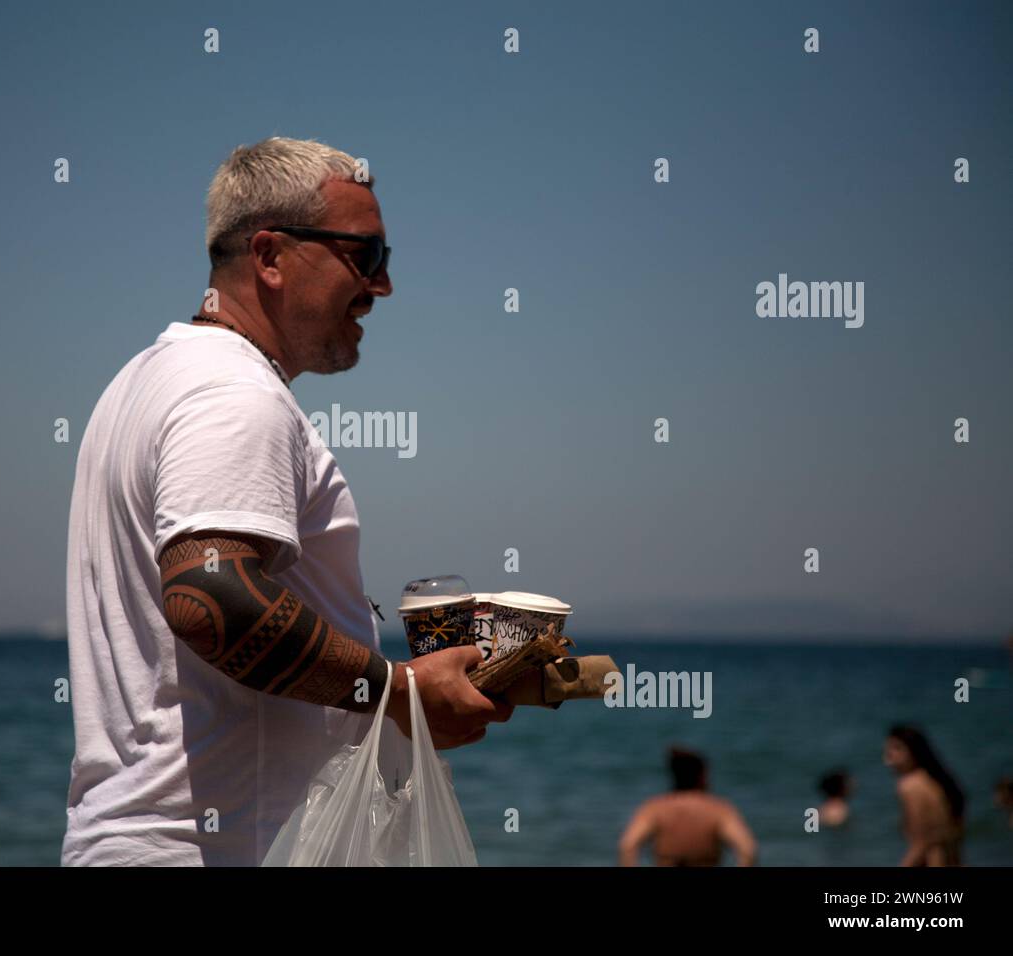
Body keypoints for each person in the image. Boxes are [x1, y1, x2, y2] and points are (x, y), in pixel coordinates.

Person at [60, 137, 513, 866]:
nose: (383, 286)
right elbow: (212, 594)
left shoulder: (142, 381)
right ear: (269, 256)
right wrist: (396, 691)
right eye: (365, 256)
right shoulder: (233, 394)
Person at [618, 747, 757, 866]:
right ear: (702, 776)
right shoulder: (718, 809)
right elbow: (747, 850)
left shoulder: (655, 808)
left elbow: (628, 846)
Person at [883, 725, 964, 866]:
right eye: (888, 749)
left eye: (897, 748)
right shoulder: (934, 782)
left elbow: (921, 844)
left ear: (913, 750)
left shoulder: (910, 785)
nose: (890, 754)